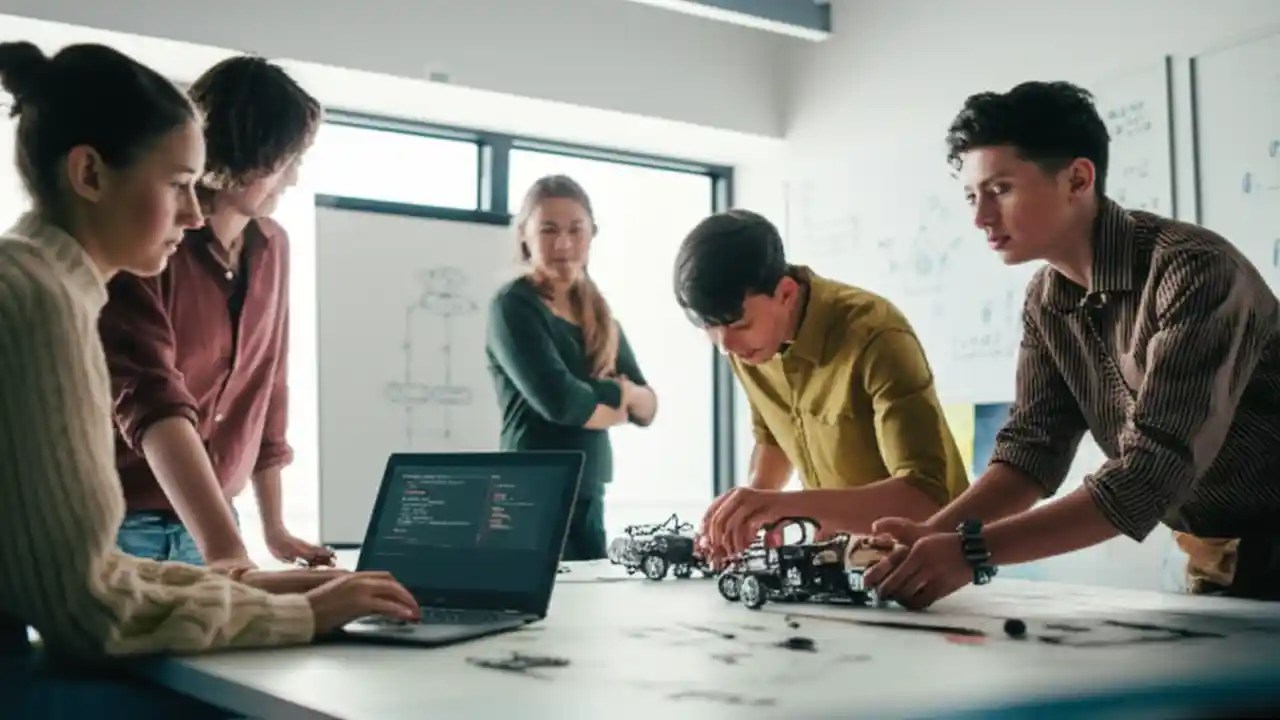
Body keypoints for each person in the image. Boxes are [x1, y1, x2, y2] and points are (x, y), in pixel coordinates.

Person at [0, 40, 419, 662]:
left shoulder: (36, 280)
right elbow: (89, 608)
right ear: (89, 174)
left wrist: (260, 587)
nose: (194, 213)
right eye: (177, 186)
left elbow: (89, 572)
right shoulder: (41, 302)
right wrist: (301, 612)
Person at [865, 80, 1280, 608]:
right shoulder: (1047, 299)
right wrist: (931, 534)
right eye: (972, 196)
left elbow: (1150, 473)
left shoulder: (1196, 271)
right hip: (1221, 564)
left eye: (1000, 189)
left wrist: (970, 551)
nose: (979, 218)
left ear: (1077, 179)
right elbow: (1030, 452)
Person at [98, 55, 332, 570]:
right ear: (245, 155)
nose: (293, 177)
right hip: (124, 521)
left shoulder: (273, 247)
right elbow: (151, 400)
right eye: (286, 159)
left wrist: (273, 527)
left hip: (217, 519)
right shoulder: (149, 248)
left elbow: (268, 387)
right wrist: (228, 552)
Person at [672, 210, 970, 562]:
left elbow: (923, 498)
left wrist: (784, 507)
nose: (725, 346)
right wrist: (747, 512)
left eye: (738, 323)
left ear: (785, 293)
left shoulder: (877, 335)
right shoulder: (748, 346)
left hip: (940, 561)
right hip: (847, 563)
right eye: (709, 328)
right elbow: (775, 439)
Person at [485, 175, 658, 560]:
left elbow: (649, 408)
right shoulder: (513, 306)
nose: (563, 244)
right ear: (525, 235)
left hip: (589, 489)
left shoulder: (599, 313)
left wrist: (621, 400)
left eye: (575, 230)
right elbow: (563, 404)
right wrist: (621, 395)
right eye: (548, 230)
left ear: (592, 233)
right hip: (530, 492)